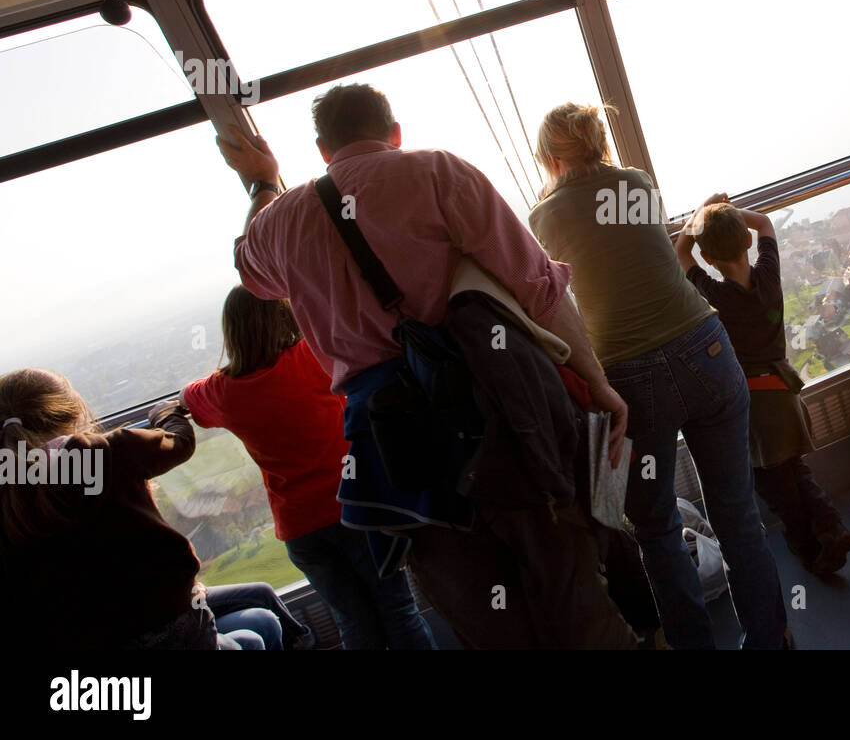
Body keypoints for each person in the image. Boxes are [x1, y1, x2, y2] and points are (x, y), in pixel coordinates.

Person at [217, 82, 637, 649]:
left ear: (321, 150)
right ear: (394, 133)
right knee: (569, 585)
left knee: (484, 613)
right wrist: (597, 383)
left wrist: (263, 182)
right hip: (502, 416)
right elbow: (539, 289)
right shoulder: (439, 172)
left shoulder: (281, 222)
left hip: (398, 449)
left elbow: (251, 269)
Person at [529, 103, 787, 649]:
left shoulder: (544, 217)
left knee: (656, 528)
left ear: (551, 157)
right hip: (706, 348)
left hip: (628, 374)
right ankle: (771, 638)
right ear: (600, 142)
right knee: (737, 512)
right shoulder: (637, 183)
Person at [183, 285, 434, 649]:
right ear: (285, 315)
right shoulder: (312, 357)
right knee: (398, 611)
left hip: (302, 531)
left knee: (353, 623)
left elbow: (187, 397)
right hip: (357, 509)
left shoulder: (224, 391)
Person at [675, 194, 850, 576]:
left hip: (752, 408)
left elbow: (681, 252)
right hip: (783, 394)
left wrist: (704, 211)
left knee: (776, 489)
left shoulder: (718, 295)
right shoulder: (769, 278)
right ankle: (831, 525)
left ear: (709, 258)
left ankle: (810, 554)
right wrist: (729, 214)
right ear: (747, 242)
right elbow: (767, 224)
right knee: (796, 470)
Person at [1, 368, 217, 648]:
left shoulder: (11, 491)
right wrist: (166, 414)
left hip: (91, 635)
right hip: (169, 612)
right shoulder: (109, 450)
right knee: (258, 619)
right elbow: (180, 443)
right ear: (71, 410)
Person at [202, 581, 315, 650]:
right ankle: (302, 641)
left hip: (190, 593)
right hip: (188, 601)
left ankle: (300, 642)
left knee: (266, 619)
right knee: (251, 640)